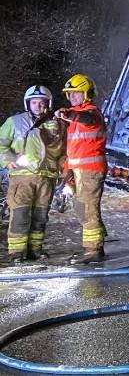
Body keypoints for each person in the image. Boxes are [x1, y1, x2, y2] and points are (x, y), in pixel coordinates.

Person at [0, 86, 64, 263]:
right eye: (34, 102)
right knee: (20, 214)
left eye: (41, 102)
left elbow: (63, 150)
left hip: (46, 177)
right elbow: (1, 144)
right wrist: (8, 160)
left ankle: (35, 251)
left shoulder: (57, 124)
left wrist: (62, 170)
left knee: (40, 217)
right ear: (28, 103)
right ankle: (16, 253)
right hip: (22, 177)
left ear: (48, 104)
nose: (38, 106)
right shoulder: (14, 122)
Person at [54, 74, 108, 264]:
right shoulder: (73, 118)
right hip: (79, 170)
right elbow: (74, 149)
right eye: (69, 94)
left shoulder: (92, 113)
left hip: (90, 171)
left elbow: (87, 118)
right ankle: (96, 243)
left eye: (76, 93)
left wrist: (69, 115)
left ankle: (93, 250)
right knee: (81, 208)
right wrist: (67, 171)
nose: (72, 97)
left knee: (88, 208)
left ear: (86, 94)